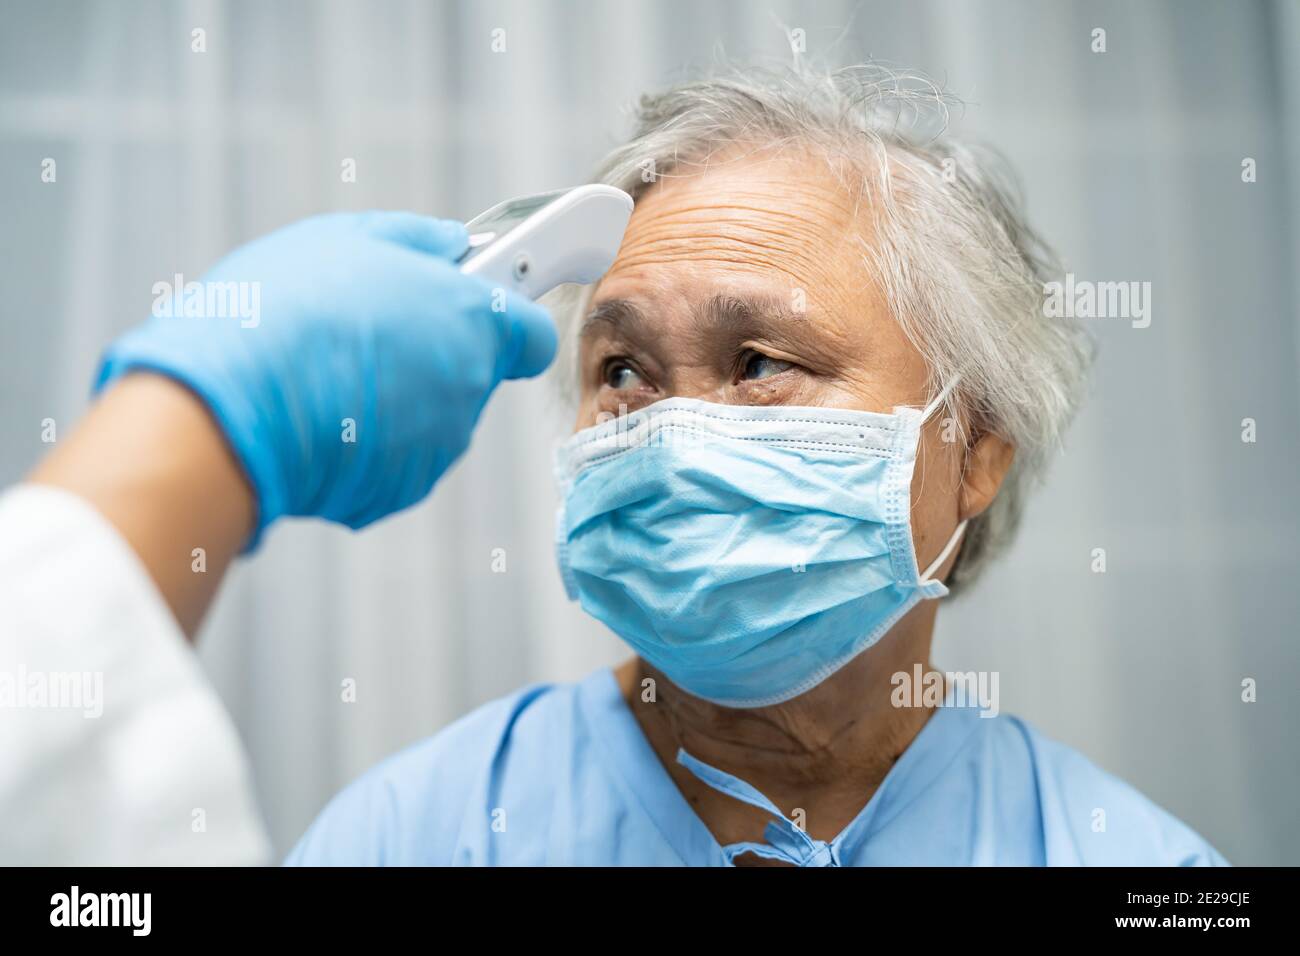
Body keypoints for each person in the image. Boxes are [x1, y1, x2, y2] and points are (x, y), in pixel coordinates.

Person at [0, 63, 1225, 866]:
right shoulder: (413, 832)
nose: (671, 431)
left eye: (758, 360)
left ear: (976, 452)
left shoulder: (1142, 869)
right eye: (622, 372)